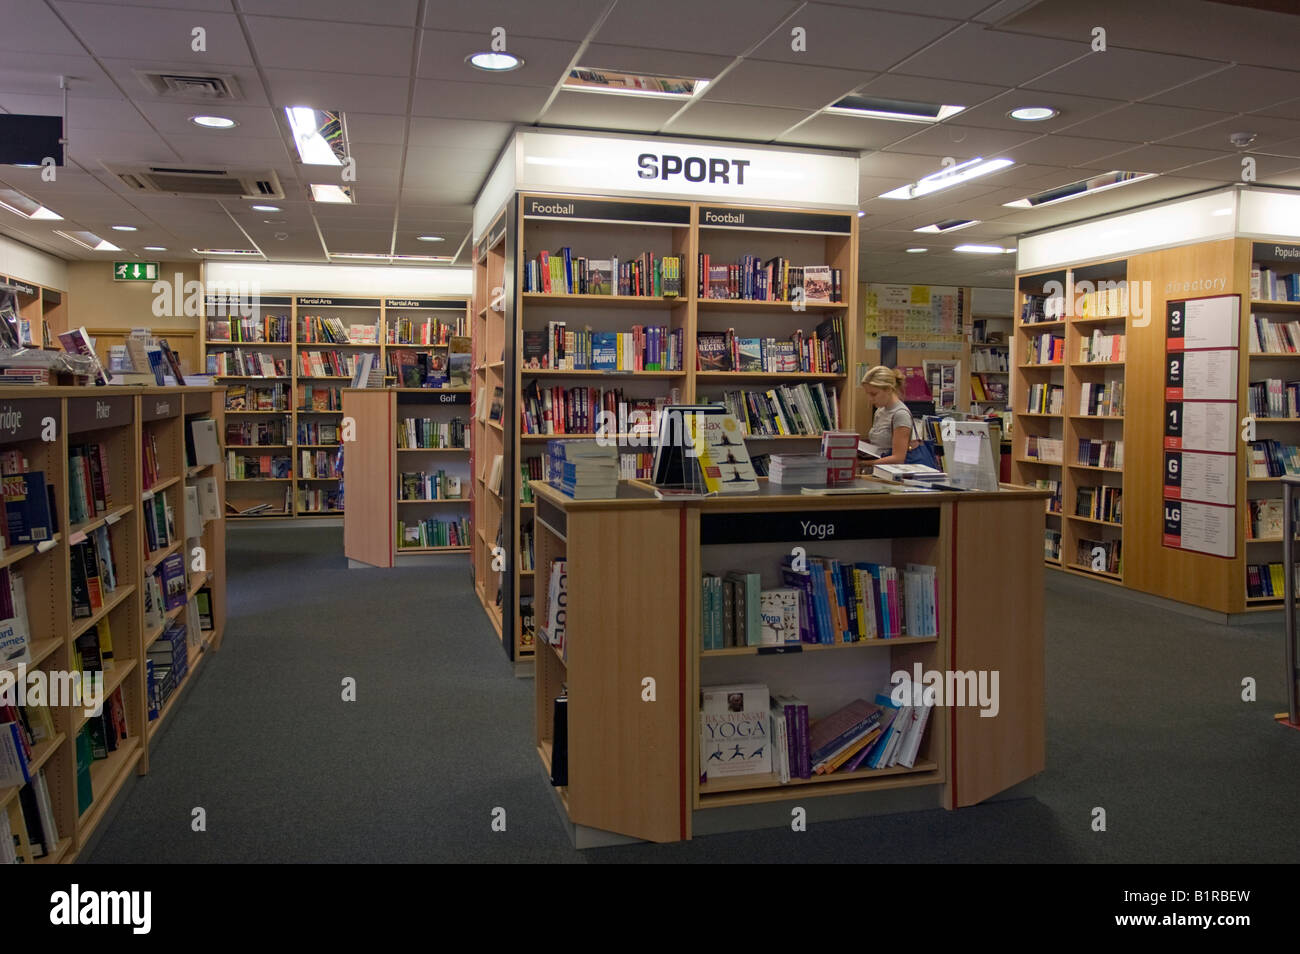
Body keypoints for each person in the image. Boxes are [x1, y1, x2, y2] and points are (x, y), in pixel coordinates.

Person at [861, 365, 916, 467]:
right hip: (878, 471)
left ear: (889, 390)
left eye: (874, 394)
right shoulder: (880, 411)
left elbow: (898, 458)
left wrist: (863, 463)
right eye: (867, 394)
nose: (870, 399)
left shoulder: (900, 414)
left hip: (891, 476)